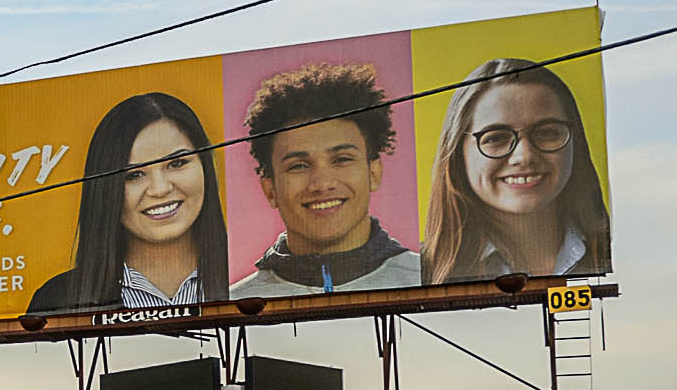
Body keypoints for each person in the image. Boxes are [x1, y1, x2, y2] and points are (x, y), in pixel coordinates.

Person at [228, 63, 423, 298]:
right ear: (270, 189)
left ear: (373, 173)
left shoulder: (429, 280)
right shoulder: (236, 305)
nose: (321, 183)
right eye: (298, 165)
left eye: (341, 159)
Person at [26, 92, 231, 313]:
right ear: (106, 191)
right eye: (133, 175)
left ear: (205, 167)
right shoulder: (57, 300)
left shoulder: (249, 281)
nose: (160, 189)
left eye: (177, 163)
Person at [420, 59, 611, 284]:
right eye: (496, 138)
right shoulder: (419, 271)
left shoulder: (615, 247)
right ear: (457, 153)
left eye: (547, 133)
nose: (524, 156)